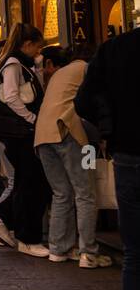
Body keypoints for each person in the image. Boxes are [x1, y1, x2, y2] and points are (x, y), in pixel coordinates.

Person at [75, 24, 139, 290]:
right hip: (127, 153)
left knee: (136, 254)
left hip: (129, 154)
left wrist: (109, 125)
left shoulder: (115, 48)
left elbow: (83, 102)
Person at [35, 46, 111, 268]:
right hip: (70, 133)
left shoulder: (60, 73)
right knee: (85, 193)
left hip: (43, 136)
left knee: (61, 193)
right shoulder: (87, 69)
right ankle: (88, 252)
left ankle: (59, 249)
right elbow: (95, 103)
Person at [0, 24, 52, 257]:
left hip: (18, 132)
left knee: (27, 181)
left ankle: (1, 219)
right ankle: (25, 236)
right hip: (17, 132)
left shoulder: (17, 63)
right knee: (31, 182)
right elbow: (11, 97)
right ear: (27, 44)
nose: (39, 51)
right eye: (37, 46)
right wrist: (32, 118)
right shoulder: (13, 64)